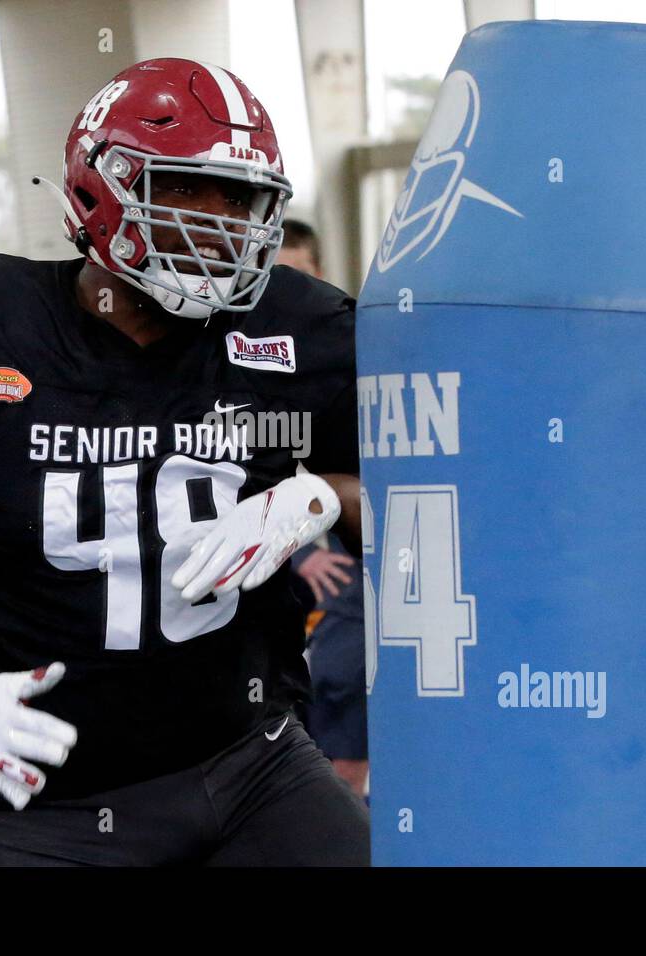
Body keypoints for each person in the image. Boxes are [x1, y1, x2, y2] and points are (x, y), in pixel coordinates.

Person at [0, 58, 369, 866]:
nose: (221, 221)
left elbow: (426, 504)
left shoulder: (299, 333)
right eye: (185, 188)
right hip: (48, 808)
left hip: (257, 767)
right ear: (103, 187)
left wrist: (320, 496)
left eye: (239, 197)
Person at [276, 219, 370, 797]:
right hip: (274, 574)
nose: (280, 289)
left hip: (357, 565)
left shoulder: (342, 348)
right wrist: (298, 556)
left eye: (296, 274)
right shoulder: (220, 360)